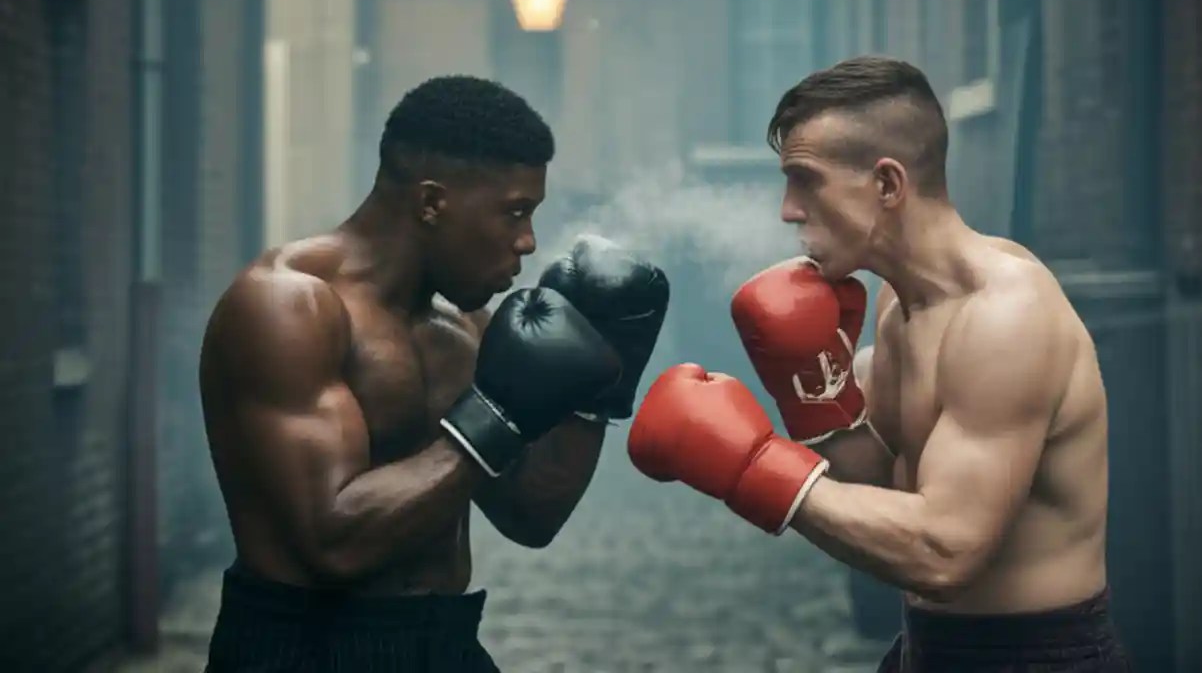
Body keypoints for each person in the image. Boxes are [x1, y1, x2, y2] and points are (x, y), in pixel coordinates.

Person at [627, 56, 1130, 671]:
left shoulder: (1006, 318)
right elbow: (886, 489)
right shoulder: (899, 304)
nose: (788, 209)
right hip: (925, 646)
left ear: (888, 185)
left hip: (1034, 655)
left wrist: (756, 467)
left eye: (805, 180)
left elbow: (945, 550)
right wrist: (823, 407)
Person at [199, 75, 669, 672]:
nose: (528, 242)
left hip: (441, 642)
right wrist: (494, 418)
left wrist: (601, 388)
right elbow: (331, 544)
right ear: (430, 202)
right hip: (306, 650)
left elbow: (531, 515)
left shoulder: (465, 323)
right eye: (515, 212)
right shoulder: (288, 308)